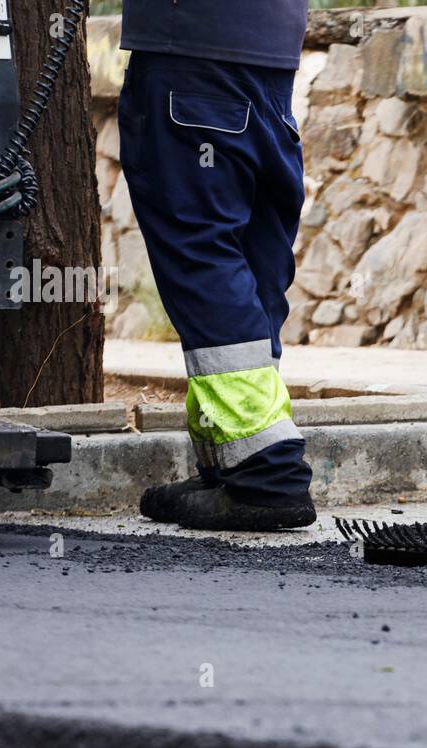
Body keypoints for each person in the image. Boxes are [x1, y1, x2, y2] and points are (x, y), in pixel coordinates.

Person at [117, 0, 316, 531]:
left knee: (204, 258)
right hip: (272, 60)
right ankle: (230, 461)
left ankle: (265, 474)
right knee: (254, 261)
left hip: (190, 52)